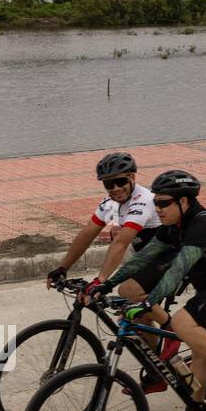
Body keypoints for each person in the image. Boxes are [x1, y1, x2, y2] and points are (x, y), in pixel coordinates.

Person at [93, 170, 206, 411]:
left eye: (164, 203)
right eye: (155, 203)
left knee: (182, 323)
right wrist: (106, 284)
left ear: (185, 202)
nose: (158, 209)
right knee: (201, 350)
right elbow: (143, 258)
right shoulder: (173, 227)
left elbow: (178, 270)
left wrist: (148, 301)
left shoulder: (204, 224)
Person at [46, 152, 172, 392]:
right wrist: (62, 267)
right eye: (108, 184)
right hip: (146, 262)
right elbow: (86, 234)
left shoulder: (143, 200)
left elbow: (121, 243)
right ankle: (158, 371)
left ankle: (173, 328)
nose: (114, 188)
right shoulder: (110, 203)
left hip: (171, 259)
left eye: (120, 181)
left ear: (132, 177)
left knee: (128, 292)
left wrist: (100, 281)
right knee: (134, 315)